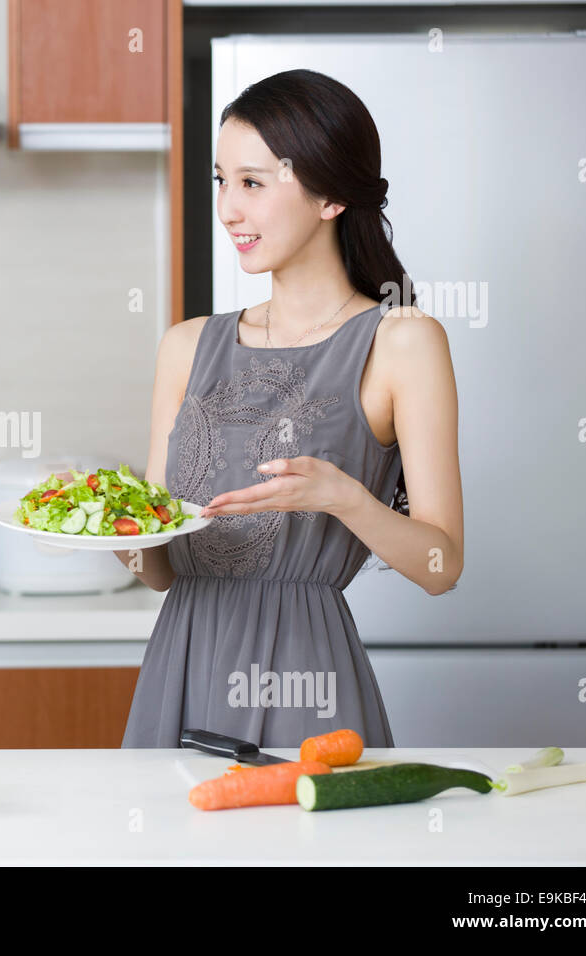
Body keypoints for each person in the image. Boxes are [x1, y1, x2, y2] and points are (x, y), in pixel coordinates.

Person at [118, 69, 464, 748]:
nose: (227, 209)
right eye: (220, 181)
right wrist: (117, 529)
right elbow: (159, 573)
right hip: (181, 668)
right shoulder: (186, 346)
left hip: (310, 679)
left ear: (330, 194)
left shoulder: (402, 342)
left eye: (252, 182)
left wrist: (346, 499)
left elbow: (441, 566)